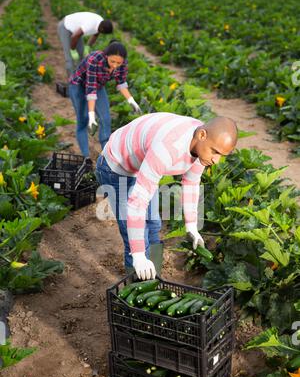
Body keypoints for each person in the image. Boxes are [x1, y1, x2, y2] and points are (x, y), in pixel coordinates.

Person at [95, 113, 238, 280]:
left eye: (221, 155)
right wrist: (140, 255)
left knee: (154, 224)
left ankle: (153, 279)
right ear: (202, 135)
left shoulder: (204, 144)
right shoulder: (168, 148)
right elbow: (136, 205)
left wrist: (191, 226)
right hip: (116, 167)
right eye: (215, 152)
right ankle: (135, 288)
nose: (216, 160)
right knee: (134, 237)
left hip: (143, 165)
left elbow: (191, 183)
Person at [69, 40, 141, 158]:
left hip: (98, 86)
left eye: (119, 62)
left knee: (105, 119)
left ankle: (107, 155)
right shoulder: (94, 59)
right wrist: (92, 115)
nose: (115, 65)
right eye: (112, 61)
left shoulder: (122, 64)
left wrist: (131, 100)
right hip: (78, 86)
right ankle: (86, 156)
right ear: (106, 55)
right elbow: (90, 87)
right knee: (84, 120)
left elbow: (121, 83)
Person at [58, 11, 113, 77]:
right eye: (103, 32)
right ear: (102, 29)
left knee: (82, 55)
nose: (102, 34)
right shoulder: (89, 25)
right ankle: (72, 82)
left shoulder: (101, 24)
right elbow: (74, 36)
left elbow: (95, 35)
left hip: (76, 31)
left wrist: (88, 47)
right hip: (66, 27)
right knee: (70, 58)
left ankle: (79, 78)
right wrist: (73, 50)